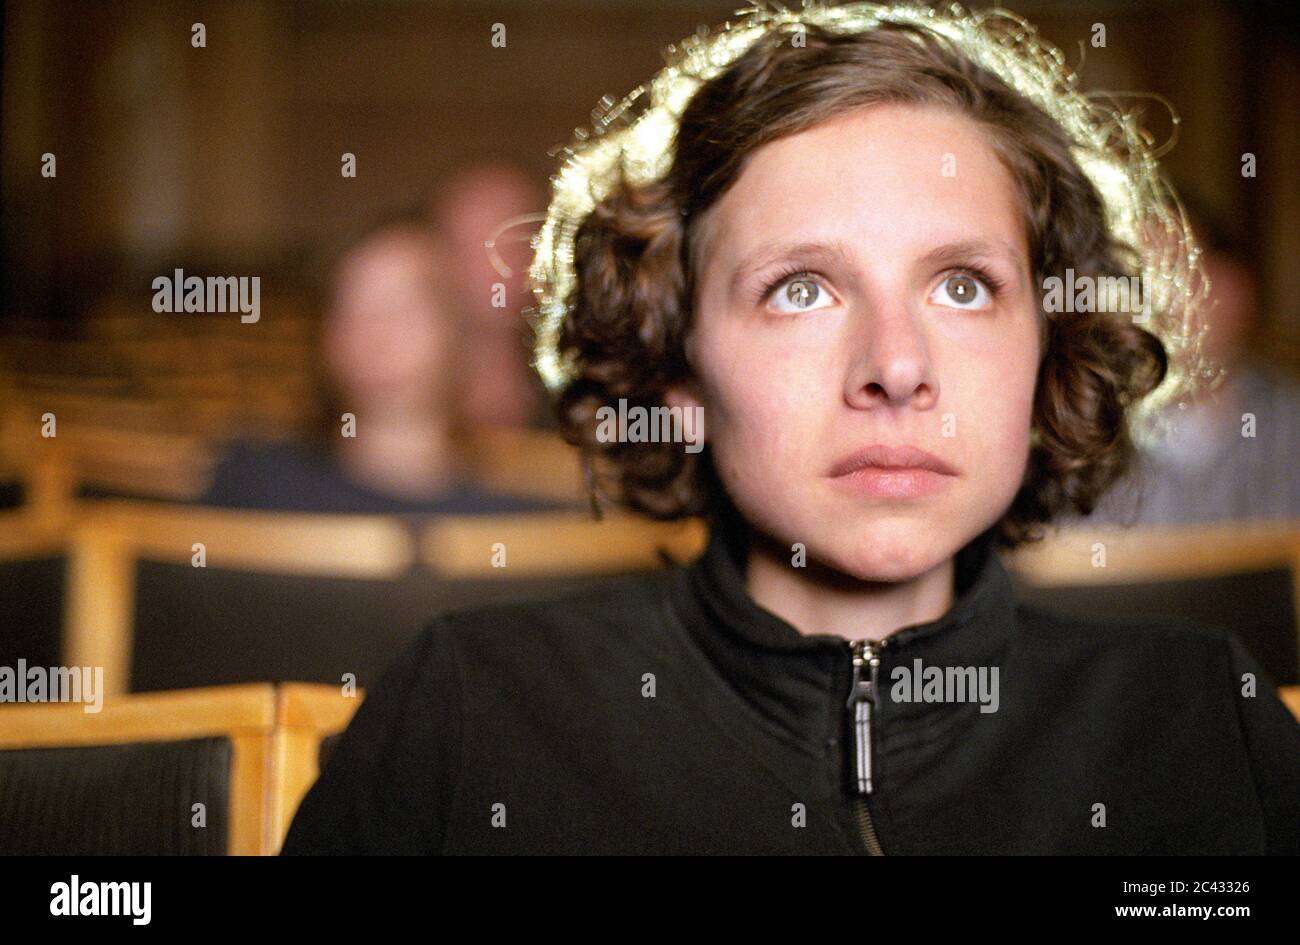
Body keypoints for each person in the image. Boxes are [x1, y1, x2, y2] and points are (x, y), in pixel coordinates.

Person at [281, 3, 1300, 854]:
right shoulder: (471, 710)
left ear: (1045, 352)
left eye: (961, 284)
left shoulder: (1199, 716)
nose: (895, 368)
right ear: (677, 370)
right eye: (801, 289)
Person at [201, 207, 567, 515]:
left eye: (402, 306)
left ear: (457, 330)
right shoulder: (252, 484)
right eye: (351, 306)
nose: (372, 331)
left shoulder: (525, 512)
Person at [1085, 191, 1300, 525]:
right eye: (1130, 281)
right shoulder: (1075, 444)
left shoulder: (1289, 429)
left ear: (1234, 291)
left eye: (1173, 273)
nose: (1154, 306)